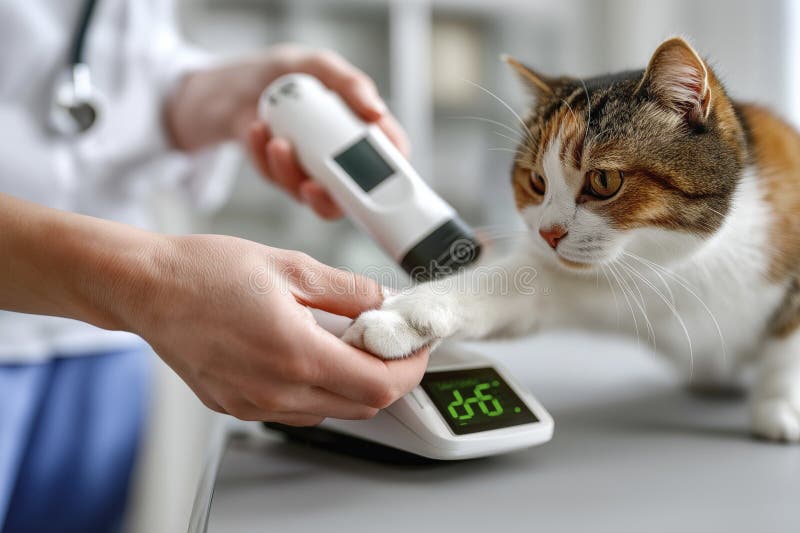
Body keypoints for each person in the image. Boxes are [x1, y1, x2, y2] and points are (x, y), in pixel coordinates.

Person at [0, 1, 427, 532]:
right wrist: (149, 281)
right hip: (103, 297)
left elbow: (117, 60)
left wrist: (218, 96)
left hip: (103, 346)